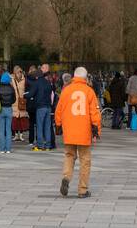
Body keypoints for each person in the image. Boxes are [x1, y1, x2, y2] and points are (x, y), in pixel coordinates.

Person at [57, 67, 101, 198]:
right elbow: (95, 113)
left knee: (69, 156)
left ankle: (66, 177)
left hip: (69, 130)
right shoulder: (89, 91)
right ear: (85, 77)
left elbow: (59, 109)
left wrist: (59, 125)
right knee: (85, 160)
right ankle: (82, 190)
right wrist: (96, 131)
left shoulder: (66, 91)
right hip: (84, 131)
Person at [30, 64, 56, 152]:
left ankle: (40, 145)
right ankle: (48, 145)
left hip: (40, 106)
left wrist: (26, 96)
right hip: (48, 106)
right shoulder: (48, 83)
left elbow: (31, 94)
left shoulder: (37, 83)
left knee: (40, 126)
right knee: (48, 126)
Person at [0, 71, 16, 154]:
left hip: (1, 109)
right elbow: (14, 99)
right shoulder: (11, 88)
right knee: (8, 130)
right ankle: (8, 149)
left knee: (1, 129)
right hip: (9, 109)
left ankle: (1, 149)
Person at [11, 66, 29, 143]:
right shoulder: (11, 80)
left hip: (22, 101)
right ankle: (15, 135)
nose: (19, 73)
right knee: (15, 119)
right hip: (14, 102)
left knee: (22, 119)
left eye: (20, 72)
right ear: (15, 72)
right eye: (18, 72)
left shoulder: (25, 80)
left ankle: (21, 135)